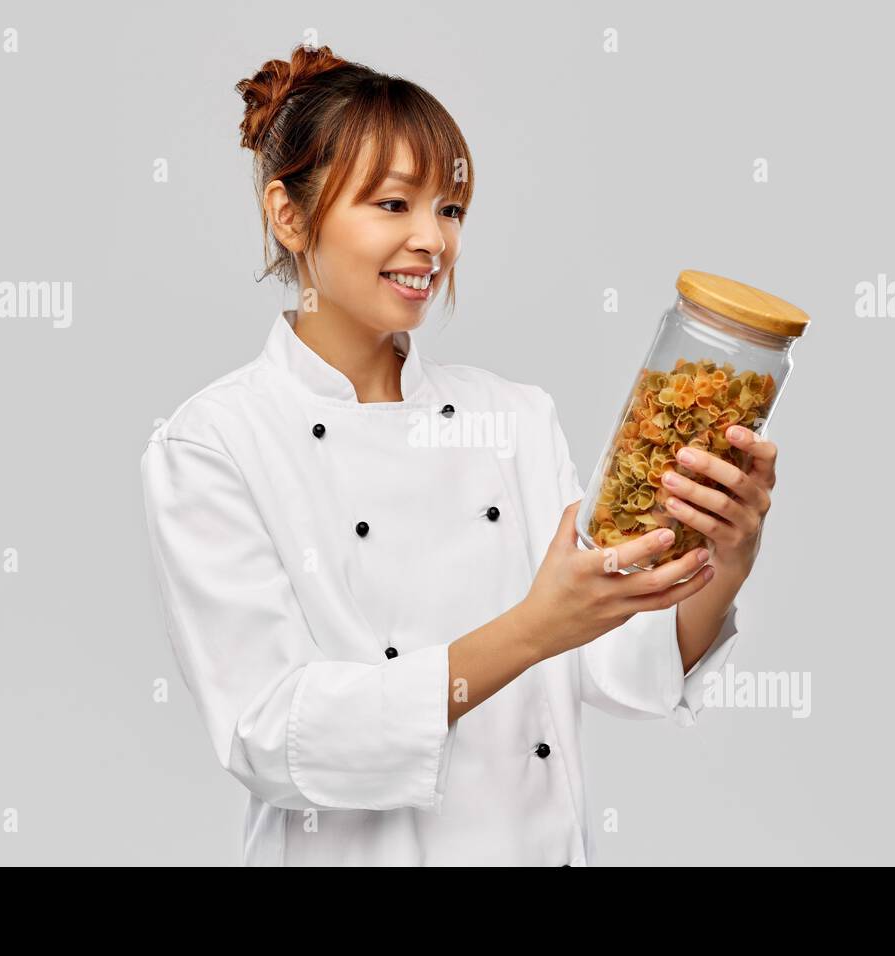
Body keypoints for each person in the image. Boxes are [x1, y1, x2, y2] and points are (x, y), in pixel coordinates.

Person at [139, 43, 777, 866]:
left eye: (451, 209)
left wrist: (725, 559)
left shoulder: (513, 415)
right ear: (289, 216)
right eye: (394, 204)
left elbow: (621, 665)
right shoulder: (214, 444)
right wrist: (533, 629)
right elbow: (273, 734)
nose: (431, 241)